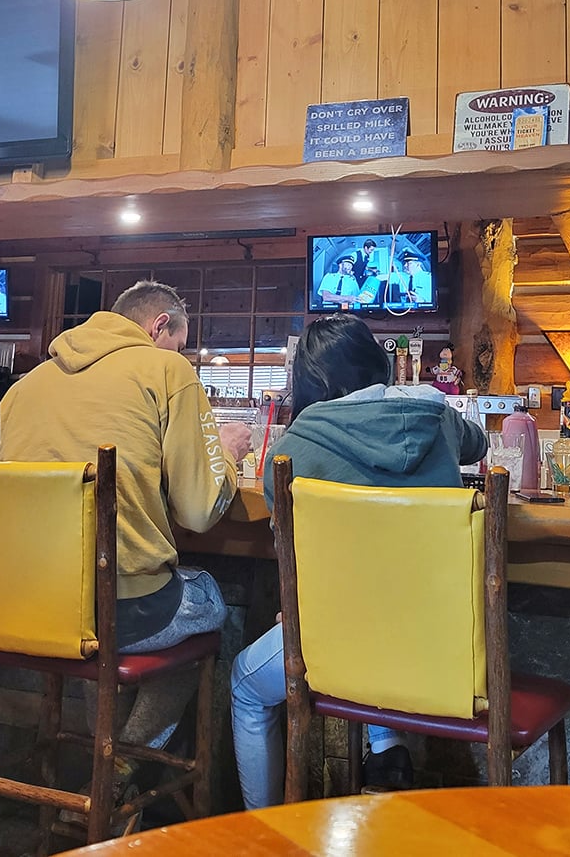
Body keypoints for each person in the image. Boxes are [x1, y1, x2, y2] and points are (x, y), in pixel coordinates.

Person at [0, 280, 251, 823]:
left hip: (27, 606)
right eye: (179, 343)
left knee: (105, 616)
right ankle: (120, 767)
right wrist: (224, 455)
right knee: (205, 606)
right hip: (121, 610)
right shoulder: (167, 372)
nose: (179, 356)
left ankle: (100, 764)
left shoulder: (23, 387)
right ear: (160, 328)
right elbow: (201, 512)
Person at [231, 313, 487, 810]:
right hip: (446, 642)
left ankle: (260, 834)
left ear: (310, 381)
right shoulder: (436, 416)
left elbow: (297, 557)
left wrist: (298, 602)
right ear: (377, 363)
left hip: (343, 642)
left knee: (247, 683)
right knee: (383, 609)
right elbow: (477, 443)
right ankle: (387, 751)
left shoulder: (290, 452)